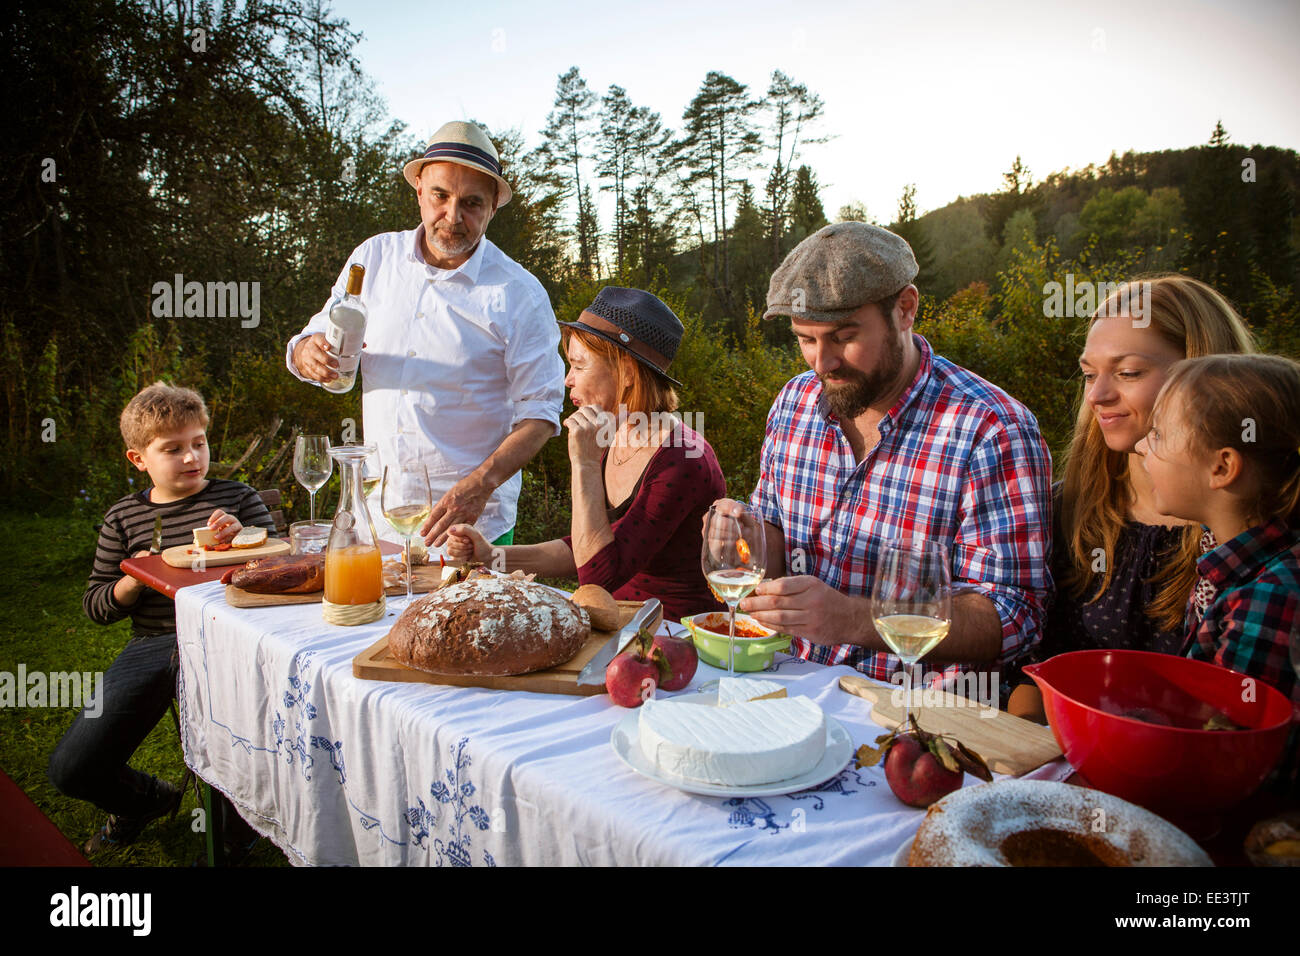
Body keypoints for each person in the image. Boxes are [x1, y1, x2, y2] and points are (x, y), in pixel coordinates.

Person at [716, 222, 1053, 700]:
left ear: (905, 309)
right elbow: (773, 533)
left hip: (916, 713)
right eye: (805, 339)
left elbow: (1015, 616)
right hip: (786, 683)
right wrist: (747, 538)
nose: (821, 363)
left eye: (842, 336)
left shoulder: (991, 429)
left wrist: (855, 619)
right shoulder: (793, 403)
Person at [286, 120, 565, 549]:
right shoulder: (373, 258)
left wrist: (480, 485)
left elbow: (542, 413)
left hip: (469, 527)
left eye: (472, 203)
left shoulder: (519, 293)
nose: (453, 217)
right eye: (441, 195)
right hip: (378, 514)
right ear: (418, 188)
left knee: (464, 620)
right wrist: (307, 353)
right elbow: (320, 330)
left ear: (493, 207)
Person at [1007, 275, 1257, 721]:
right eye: (1088, 374)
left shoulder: (1248, 535)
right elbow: (1030, 673)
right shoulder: (1065, 508)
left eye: (1128, 373)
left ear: (1205, 374)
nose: (1098, 396)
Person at [49, 382, 275, 854]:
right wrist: (135, 577)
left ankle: (235, 840)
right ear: (139, 459)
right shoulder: (123, 518)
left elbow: (279, 572)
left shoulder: (236, 499)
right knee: (72, 767)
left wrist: (243, 539)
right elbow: (96, 605)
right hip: (154, 640)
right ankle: (144, 800)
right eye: (173, 449)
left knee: (229, 751)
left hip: (229, 638)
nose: (192, 457)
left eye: (199, 443)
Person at [446, 287, 726, 621]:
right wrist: (492, 557)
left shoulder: (683, 459)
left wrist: (584, 463)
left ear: (627, 372)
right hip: (617, 626)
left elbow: (598, 577)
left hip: (673, 639)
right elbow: (585, 547)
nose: (568, 380)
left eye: (579, 366)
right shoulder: (612, 432)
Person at [1136, 354, 1299, 704]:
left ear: (1222, 467)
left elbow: (1226, 738)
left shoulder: (1266, 598)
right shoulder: (1225, 560)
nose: (1140, 447)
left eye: (1158, 435)